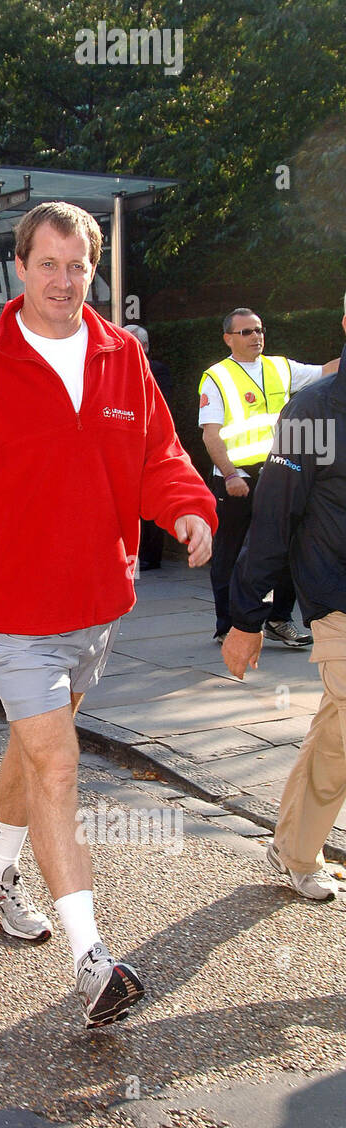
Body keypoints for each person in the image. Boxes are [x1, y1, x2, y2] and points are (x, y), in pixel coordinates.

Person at [0, 201, 216, 1029]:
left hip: (96, 601)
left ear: (94, 271)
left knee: (30, 752)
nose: (62, 280)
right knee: (59, 765)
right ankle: (92, 961)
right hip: (10, 606)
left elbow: (159, 453)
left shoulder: (122, 355)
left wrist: (187, 507)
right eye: (47, 264)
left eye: (77, 266)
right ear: (19, 269)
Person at [222, 298, 346, 902]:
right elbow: (272, 519)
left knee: (338, 725)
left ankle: (294, 845)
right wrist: (247, 617)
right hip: (338, 595)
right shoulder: (313, 409)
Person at [199, 309, 338, 648]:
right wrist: (231, 474)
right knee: (230, 553)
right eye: (245, 332)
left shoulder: (280, 367)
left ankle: (278, 618)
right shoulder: (216, 376)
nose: (255, 337)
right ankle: (227, 623)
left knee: (293, 545)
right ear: (228, 338)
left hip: (279, 474)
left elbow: (327, 371)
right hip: (237, 479)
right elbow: (211, 435)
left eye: (259, 330)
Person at [123, 326, 172, 569]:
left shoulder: (156, 371)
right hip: (125, 449)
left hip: (148, 443)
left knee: (151, 500)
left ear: (144, 346)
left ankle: (152, 556)